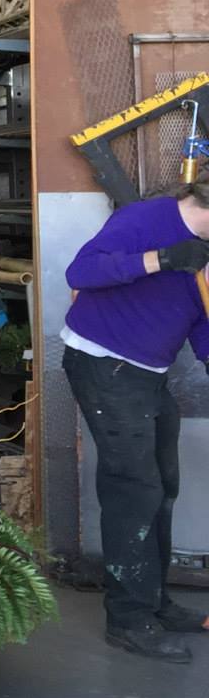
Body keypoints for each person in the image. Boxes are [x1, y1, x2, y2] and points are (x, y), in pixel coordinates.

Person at [60, 182, 209, 662]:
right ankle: (129, 620)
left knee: (163, 485)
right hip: (104, 362)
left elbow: (203, 317)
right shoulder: (146, 220)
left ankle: (154, 601)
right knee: (134, 487)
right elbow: (79, 271)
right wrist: (160, 260)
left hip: (147, 372)